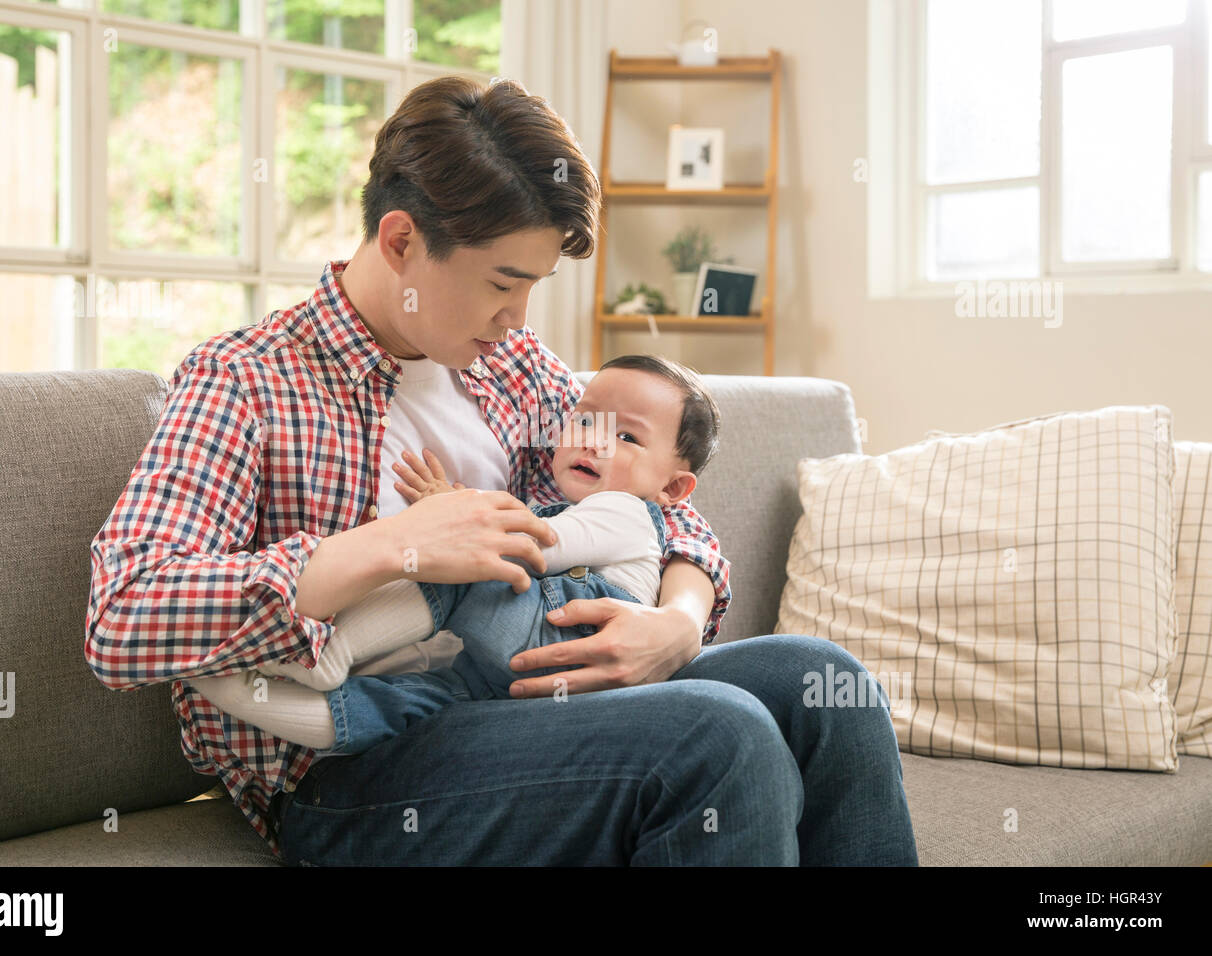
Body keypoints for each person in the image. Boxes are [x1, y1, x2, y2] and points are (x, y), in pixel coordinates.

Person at [85, 74, 918, 865]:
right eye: (502, 283)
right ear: (402, 240)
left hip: (539, 692)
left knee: (823, 682)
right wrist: (390, 546)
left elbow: (660, 506)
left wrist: (677, 623)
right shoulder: (247, 379)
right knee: (720, 734)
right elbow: (123, 616)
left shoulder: (512, 366)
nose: (518, 318)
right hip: (360, 766)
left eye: (535, 288)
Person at [186, 355, 721, 757]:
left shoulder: (624, 510)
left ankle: (331, 651)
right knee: (417, 702)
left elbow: (538, 546)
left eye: (626, 436)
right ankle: (247, 698)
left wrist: (454, 516)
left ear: (673, 487)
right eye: (584, 421)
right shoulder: (243, 370)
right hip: (516, 681)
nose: (595, 441)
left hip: (567, 635)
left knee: (463, 562)